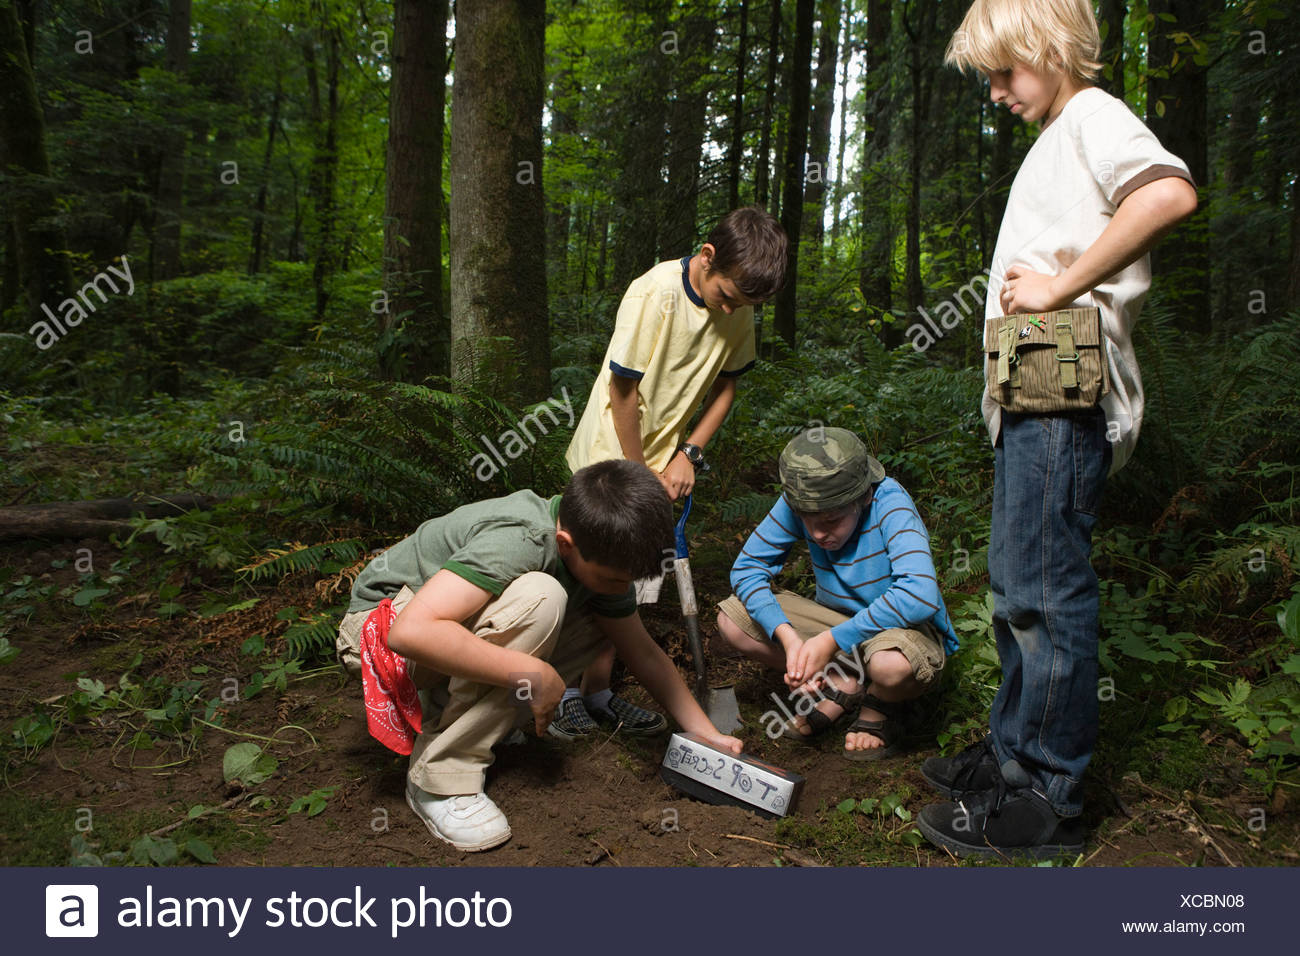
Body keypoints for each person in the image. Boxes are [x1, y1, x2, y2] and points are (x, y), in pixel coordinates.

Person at [918, 0, 1198, 859]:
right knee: (1016, 584)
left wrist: (1058, 285)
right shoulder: (1058, 132)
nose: (996, 91)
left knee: (1044, 590)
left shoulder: (1093, 115)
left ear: (1048, 47)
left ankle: (1047, 796)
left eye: (1006, 71)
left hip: (1063, 390)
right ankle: (1012, 759)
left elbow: (1171, 192)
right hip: (1031, 392)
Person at [335, 459, 742, 852]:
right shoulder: (524, 539)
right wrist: (533, 672)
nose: (621, 587)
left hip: (438, 630)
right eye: (613, 579)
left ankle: (462, 716)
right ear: (565, 544)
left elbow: (645, 655)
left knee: (589, 620)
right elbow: (411, 633)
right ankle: (439, 781)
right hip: (377, 633)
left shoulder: (595, 543)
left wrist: (706, 734)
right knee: (543, 599)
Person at [553, 206, 789, 739]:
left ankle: (598, 691)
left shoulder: (739, 301)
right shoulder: (655, 292)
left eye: (743, 304)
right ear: (707, 257)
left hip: (663, 465)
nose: (731, 309)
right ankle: (563, 689)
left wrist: (690, 455)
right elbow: (623, 391)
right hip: (609, 463)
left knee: (633, 584)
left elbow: (727, 387)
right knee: (588, 577)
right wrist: (640, 480)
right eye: (727, 296)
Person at [716, 427, 959, 761]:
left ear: (864, 498)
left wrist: (830, 642)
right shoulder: (804, 499)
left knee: (890, 665)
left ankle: (880, 702)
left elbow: (919, 595)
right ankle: (842, 682)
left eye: (831, 521)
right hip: (839, 625)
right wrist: (789, 640)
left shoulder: (890, 503)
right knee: (732, 619)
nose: (817, 533)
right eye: (807, 520)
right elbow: (747, 568)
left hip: (901, 632)